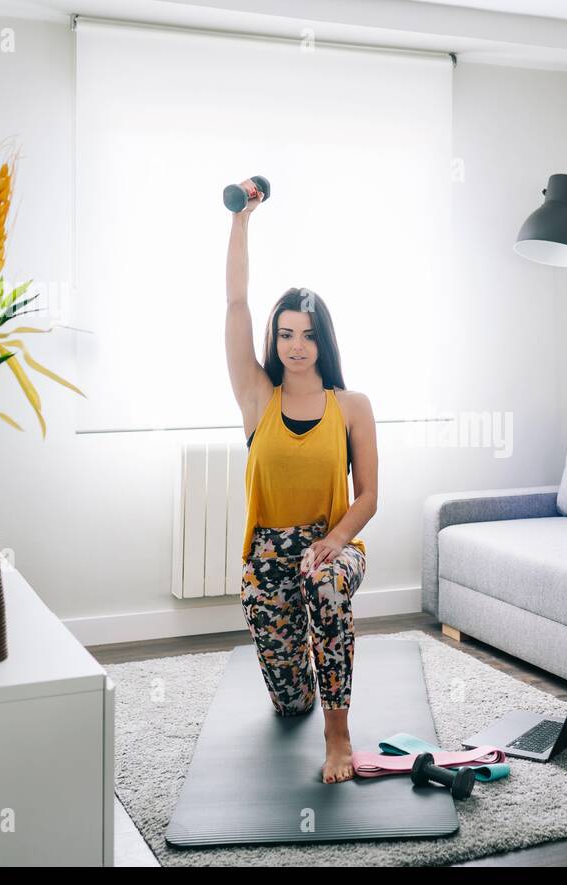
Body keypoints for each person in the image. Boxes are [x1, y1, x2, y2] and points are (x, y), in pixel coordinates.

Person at [223, 179, 378, 784]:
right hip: (268, 556)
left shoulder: (352, 405)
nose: (296, 345)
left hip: (330, 544)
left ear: (324, 339)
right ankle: (307, 683)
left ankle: (339, 738)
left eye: (308, 334)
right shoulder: (257, 398)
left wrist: (335, 542)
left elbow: (368, 496)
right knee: (290, 703)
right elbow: (236, 304)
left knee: (329, 588)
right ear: (274, 339)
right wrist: (242, 219)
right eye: (286, 333)